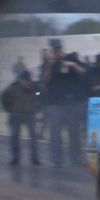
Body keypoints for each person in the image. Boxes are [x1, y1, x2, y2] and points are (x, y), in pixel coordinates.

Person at [41, 38, 86, 166]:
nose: (58, 51)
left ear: (62, 47)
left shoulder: (71, 57)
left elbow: (83, 73)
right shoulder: (49, 63)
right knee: (55, 133)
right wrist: (49, 65)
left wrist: (71, 65)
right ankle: (57, 159)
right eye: (55, 49)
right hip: (55, 103)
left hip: (71, 101)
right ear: (52, 50)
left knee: (74, 131)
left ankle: (76, 158)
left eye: (59, 48)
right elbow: (44, 80)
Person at [0, 71, 43, 166]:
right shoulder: (13, 88)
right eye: (25, 81)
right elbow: (3, 97)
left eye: (28, 81)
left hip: (30, 115)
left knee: (34, 137)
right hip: (16, 115)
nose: (27, 83)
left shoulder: (36, 88)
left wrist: (37, 108)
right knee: (14, 136)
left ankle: (35, 158)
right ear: (20, 80)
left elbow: (40, 96)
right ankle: (15, 158)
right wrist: (8, 109)